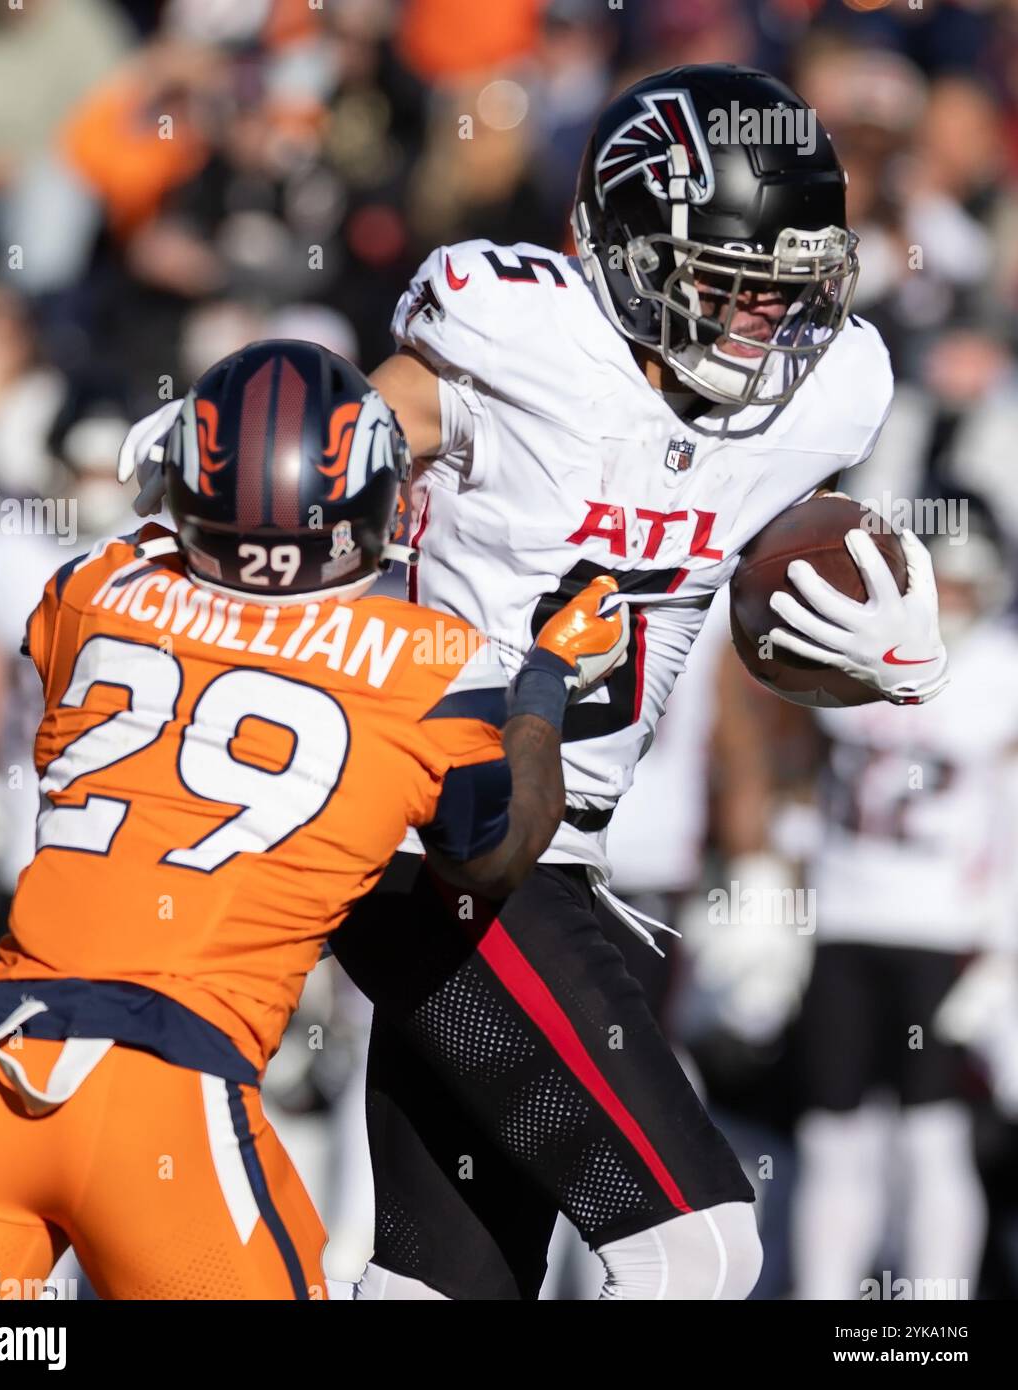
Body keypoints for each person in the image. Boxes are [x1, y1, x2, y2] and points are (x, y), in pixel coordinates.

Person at [119, 64, 949, 1301]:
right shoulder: (517, 336)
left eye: (785, 298)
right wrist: (232, 458)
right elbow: (366, 430)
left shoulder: (825, 393)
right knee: (700, 1243)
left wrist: (866, 643)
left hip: (551, 852)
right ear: (623, 252)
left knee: (440, 1285)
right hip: (449, 838)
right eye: (726, 288)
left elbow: (764, 564)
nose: (758, 330)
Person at [0, 340, 626, 1301]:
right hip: (164, 1085)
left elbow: (134, 575)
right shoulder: (429, 663)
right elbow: (493, 858)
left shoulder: (97, 592)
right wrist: (542, 683)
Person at [794, 501, 1018, 1300]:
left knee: (932, 1137)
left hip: (946, 933)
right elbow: (795, 775)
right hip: (843, 921)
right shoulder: (853, 660)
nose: (948, 600)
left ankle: (935, 1316)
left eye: (961, 584)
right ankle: (825, 1301)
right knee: (829, 1137)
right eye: (936, 583)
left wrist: (1005, 945)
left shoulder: (1000, 671)